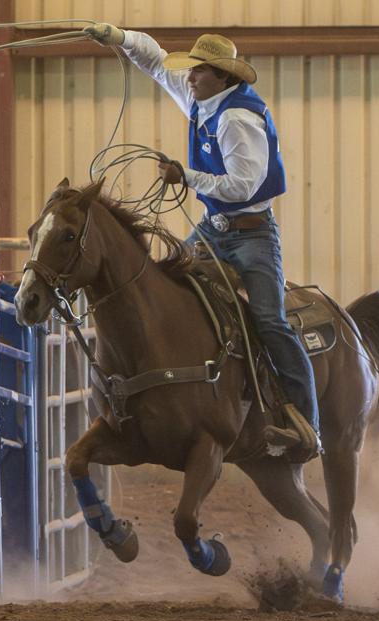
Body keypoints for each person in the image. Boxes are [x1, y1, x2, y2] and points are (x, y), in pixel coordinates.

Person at [83, 25, 320, 458]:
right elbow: (154, 61)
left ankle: (308, 423)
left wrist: (185, 175)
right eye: (191, 70)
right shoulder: (202, 100)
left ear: (223, 77)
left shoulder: (237, 119)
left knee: (270, 319)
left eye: (199, 71)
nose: (190, 77)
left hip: (253, 235)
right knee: (161, 288)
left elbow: (244, 186)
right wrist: (116, 36)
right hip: (215, 228)